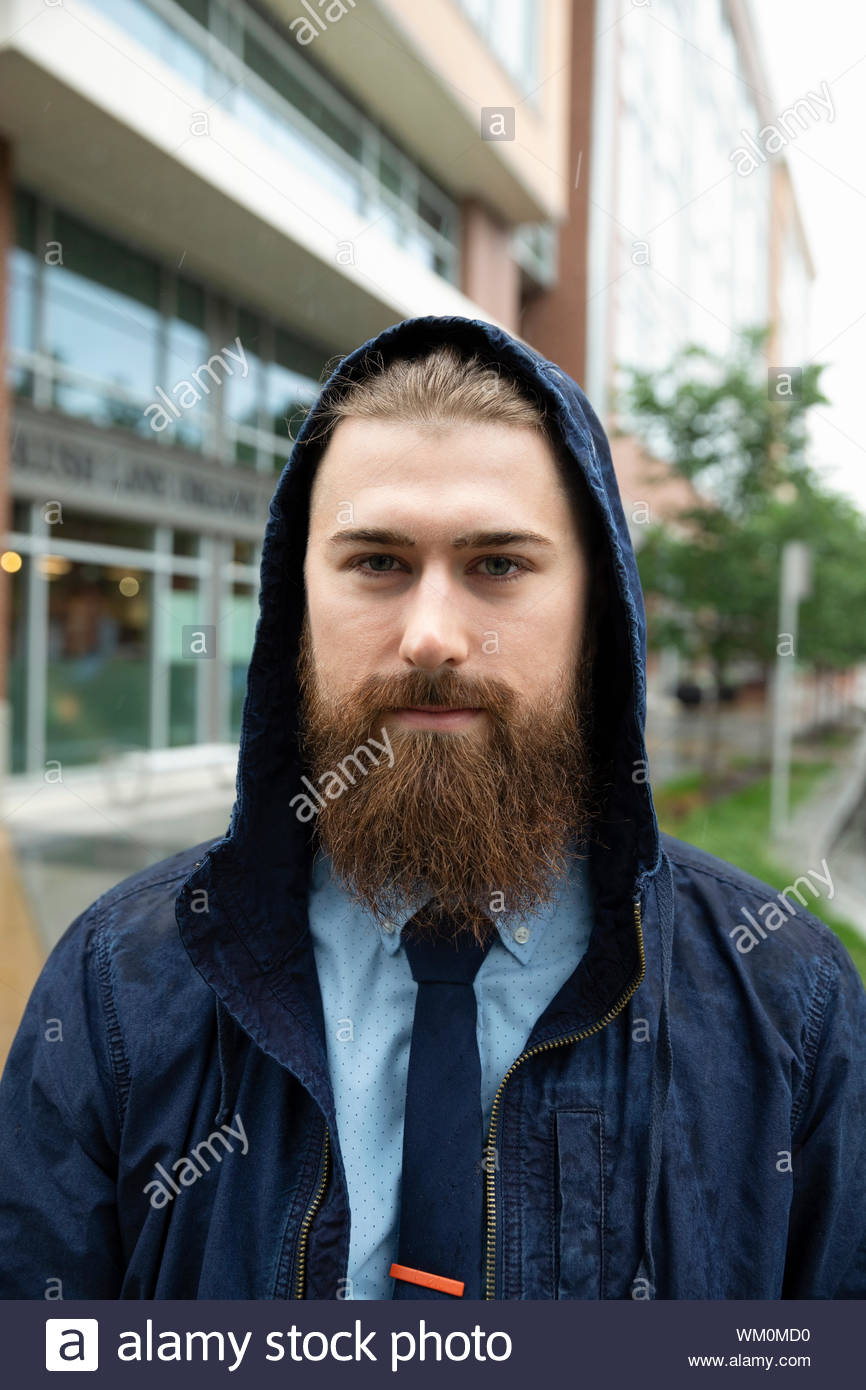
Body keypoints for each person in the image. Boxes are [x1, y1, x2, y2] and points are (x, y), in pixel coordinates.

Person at [0, 315, 864, 1301]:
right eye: (377, 563)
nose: (430, 636)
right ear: (296, 605)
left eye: (497, 565)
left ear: (597, 611)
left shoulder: (786, 1001)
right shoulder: (116, 984)